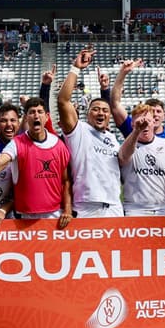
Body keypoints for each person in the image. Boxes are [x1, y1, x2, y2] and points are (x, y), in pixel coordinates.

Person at [0, 97, 73, 225]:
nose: (36, 115)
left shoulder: (58, 144)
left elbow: (66, 181)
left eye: (39, 112)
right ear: (26, 118)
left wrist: (68, 209)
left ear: (47, 117)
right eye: (32, 112)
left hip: (55, 215)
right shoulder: (16, 144)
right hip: (25, 216)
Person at [57, 49, 123, 217]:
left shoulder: (112, 138)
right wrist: (75, 68)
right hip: (86, 207)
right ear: (87, 114)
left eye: (104, 111)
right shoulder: (79, 131)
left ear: (109, 116)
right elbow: (63, 101)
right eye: (95, 110)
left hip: (114, 206)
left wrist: (105, 90)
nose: (100, 113)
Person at [118, 102, 165, 225]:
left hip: (164, 208)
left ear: (154, 122)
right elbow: (124, 156)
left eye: (148, 121)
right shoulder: (127, 145)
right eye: (140, 122)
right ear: (132, 124)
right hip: (135, 209)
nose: (144, 125)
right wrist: (136, 131)